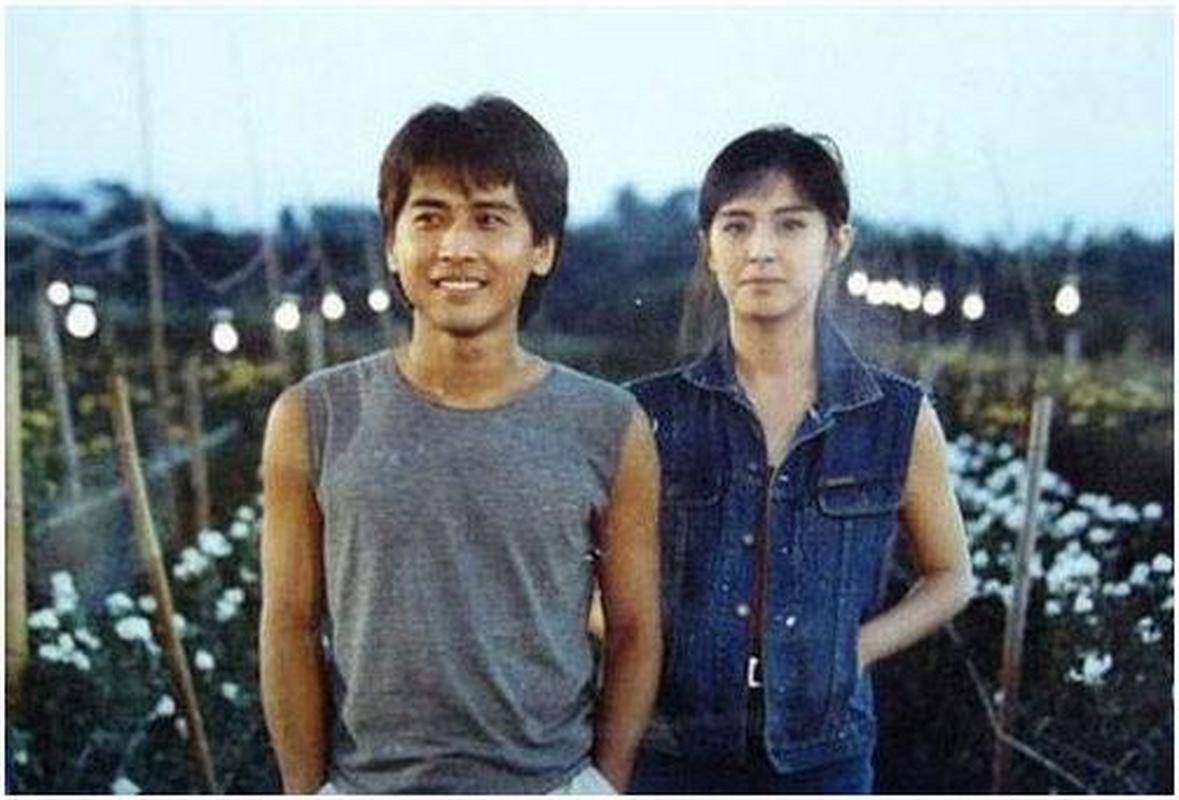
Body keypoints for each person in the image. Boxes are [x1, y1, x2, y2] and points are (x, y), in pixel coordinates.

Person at [259, 95, 662, 795]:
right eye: (429, 217)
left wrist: (605, 784)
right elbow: (288, 625)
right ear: (393, 244)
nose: (456, 247)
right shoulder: (312, 416)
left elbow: (634, 629)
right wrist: (307, 792)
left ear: (542, 248)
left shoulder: (609, 423)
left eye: (489, 219)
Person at [626, 126, 973, 794]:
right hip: (672, 752)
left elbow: (950, 575)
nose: (760, 250)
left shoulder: (896, 416)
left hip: (824, 758)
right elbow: (583, 580)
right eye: (736, 226)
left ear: (836, 242)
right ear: (707, 248)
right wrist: (656, 642)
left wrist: (851, 651)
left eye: (790, 225)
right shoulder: (646, 412)